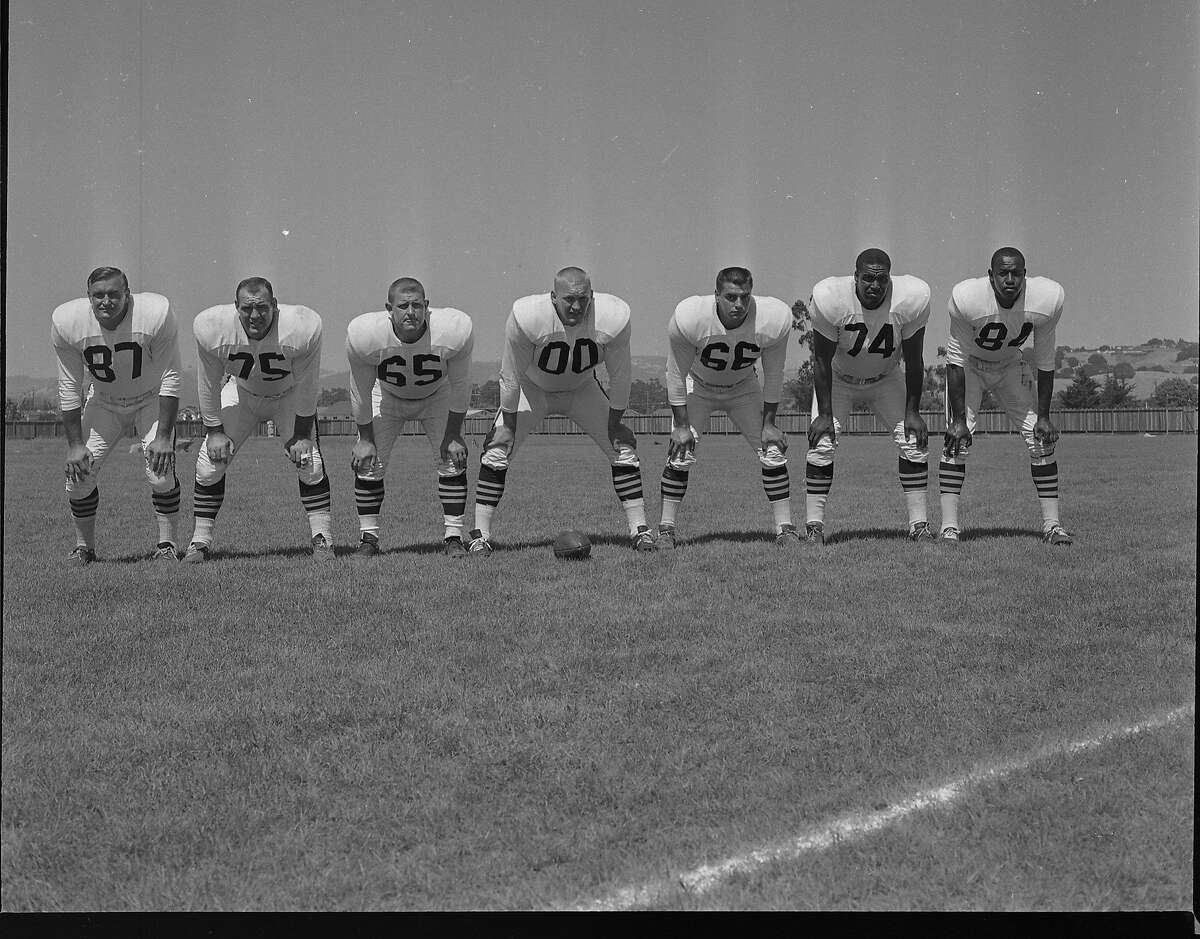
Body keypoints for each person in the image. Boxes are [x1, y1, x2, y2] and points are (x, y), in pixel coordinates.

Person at [466, 266, 655, 553]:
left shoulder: (613, 317)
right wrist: (508, 426)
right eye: (569, 299)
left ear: (592, 296)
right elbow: (510, 375)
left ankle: (640, 530)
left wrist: (616, 423)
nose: (576, 306)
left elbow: (620, 376)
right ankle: (480, 537)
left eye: (583, 299)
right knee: (497, 450)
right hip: (532, 388)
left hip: (582, 388)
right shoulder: (528, 316)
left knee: (623, 449)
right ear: (553, 297)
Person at [183, 276, 334, 562]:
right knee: (209, 464)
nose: (255, 315)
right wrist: (214, 431)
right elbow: (208, 383)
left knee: (309, 462)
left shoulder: (301, 327)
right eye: (247, 308)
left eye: (262, 307)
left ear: (274, 305)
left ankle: (322, 538)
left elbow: (308, 384)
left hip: (288, 395)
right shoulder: (213, 328)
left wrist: (302, 435)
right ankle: (199, 541)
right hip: (242, 393)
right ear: (236, 307)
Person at [51, 267, 183, 565]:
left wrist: (164, 437)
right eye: (98, 295)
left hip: (150, 398)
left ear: (127, 294)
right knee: (78, 476)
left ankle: (167, 545)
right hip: (104, 401)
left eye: (113, 294)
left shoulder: (155, 313)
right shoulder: (67, 322)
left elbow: (171, 376)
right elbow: (69, 385)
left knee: (160, 474)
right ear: (88, 297)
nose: (106, 301)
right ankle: (84, 548)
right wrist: (75, 445)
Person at [656, 267, 796, 547]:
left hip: (743, 386)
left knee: (772, 450)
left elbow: (774, 373)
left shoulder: (773, 318)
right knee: (681, 453)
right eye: (731, 297)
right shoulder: (691, 317)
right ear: (716, 295)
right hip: (698, 386)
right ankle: (666, 530)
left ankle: (785, 528)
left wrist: (769, 424)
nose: (739, 304)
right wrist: (681, 426)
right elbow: (675, 374)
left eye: (745, 296)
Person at [941, 247, 1071, 545]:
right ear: (991, 276)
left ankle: (1052, 526)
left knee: (1040, 438)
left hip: (1010, 365)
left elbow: (1045, 360)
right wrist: (958, 420)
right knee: (956, 440)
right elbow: (955, 361)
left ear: (1025, 275)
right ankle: (949, 527)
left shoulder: (1046, 299)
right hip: (969, 366)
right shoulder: (968, 298)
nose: (1010, 279)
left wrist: (1044, 416)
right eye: (1003, 273)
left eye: (1016, 273)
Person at [804, 248, 933, 543]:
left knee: (913, 440)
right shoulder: (831, 297)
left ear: (890, 278)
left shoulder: (910, 298)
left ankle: (919, 525)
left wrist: (913, 412)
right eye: (868, 278)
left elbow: (915, 361)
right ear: (855, 277)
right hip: (839, 379)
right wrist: (825, 414)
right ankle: (814, 528)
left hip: (885, 378)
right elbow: (821, 361)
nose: (875, 285)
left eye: (881, 279)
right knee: (822, 443)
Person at [346, 277, 474, 558]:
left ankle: (454, 537)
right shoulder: (365, 334)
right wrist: (365, 439)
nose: (411, 312)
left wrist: (454, 434)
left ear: (427, 306)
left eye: (417, 305)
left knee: (452, 460)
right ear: (388, 309)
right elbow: (359, 391)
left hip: (437, 394)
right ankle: (368, 539)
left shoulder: (453, 330)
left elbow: (461, 385)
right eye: (403, 306)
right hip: (387, 395)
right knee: (368, 463)